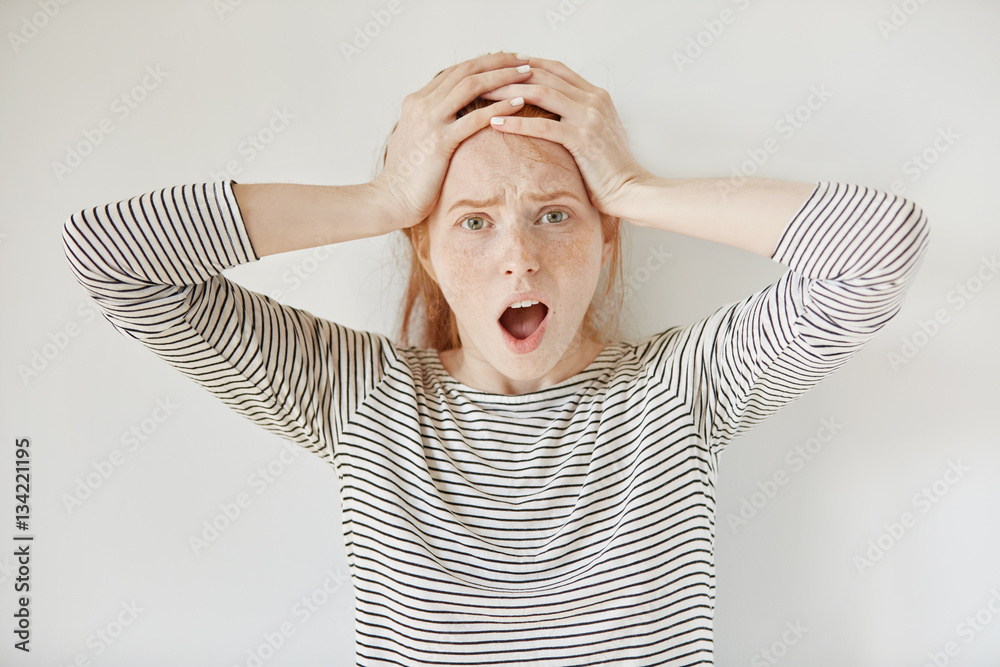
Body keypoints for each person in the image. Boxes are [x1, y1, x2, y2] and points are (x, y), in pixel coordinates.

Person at [63, 52, 929, 666]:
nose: (519, 258)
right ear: (429, 251)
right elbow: (112, 260)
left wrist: (629, 185)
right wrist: (382, 197)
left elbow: (878, 249)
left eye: (555, 214)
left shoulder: (679, 390)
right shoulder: (360, 397)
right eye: (473, 220)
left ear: (602, 239)